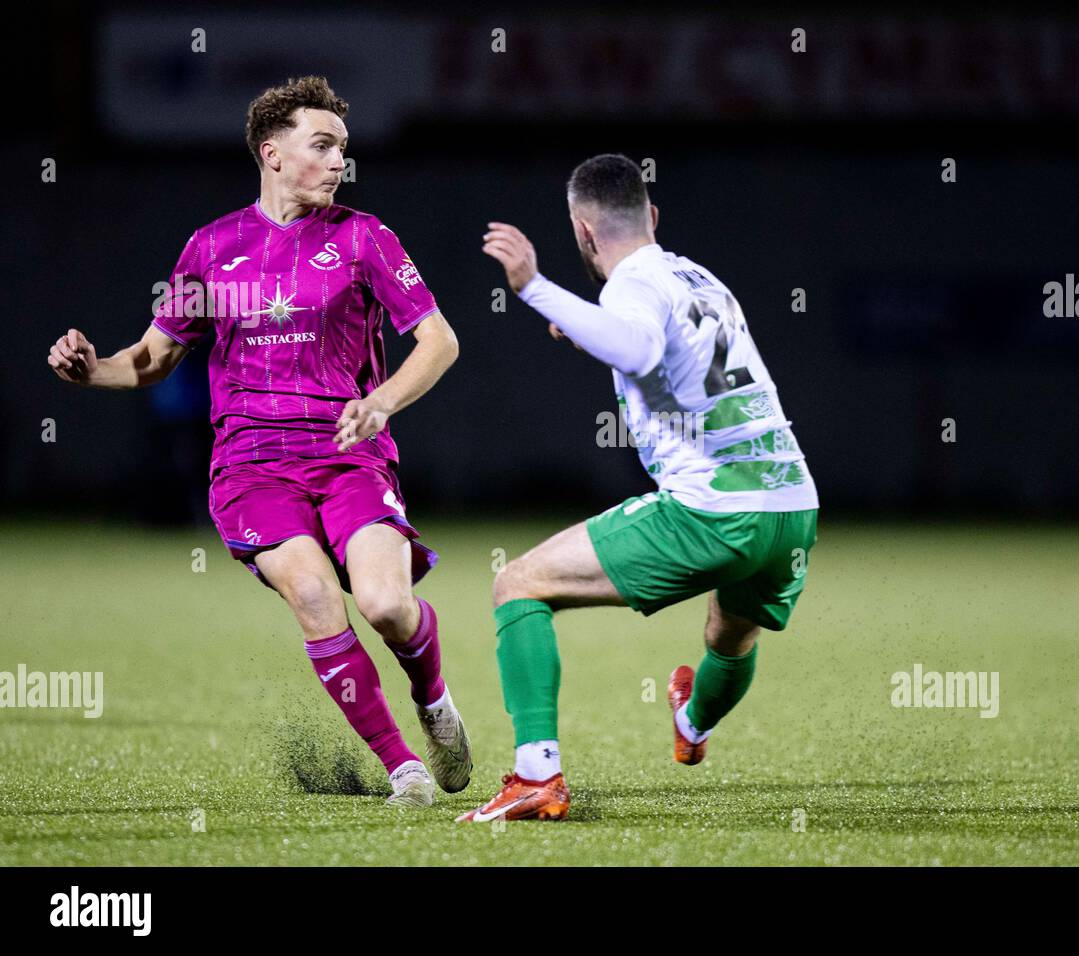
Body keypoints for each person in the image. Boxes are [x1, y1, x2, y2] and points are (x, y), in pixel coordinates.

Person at [47, 76, 470, 808]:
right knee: (312, 594)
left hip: (348, 456)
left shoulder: (364, 237)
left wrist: (382, 401)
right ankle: (404, 770)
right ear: (272, 153)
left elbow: (440, 341)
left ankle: (434, 701)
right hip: (251, 469)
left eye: (344, 147)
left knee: (386, 607)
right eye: (324, 145)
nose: (340, 161)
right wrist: (92, 371)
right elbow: (152, 359)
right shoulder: (210, 248)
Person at [463, 153, 819, 822]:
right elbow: (674, 365)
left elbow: (639, 351)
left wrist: (533, 284)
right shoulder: (701, 279)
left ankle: (536, 775)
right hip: (792, 505)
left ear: (583, 233)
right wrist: (591, 336)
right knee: (728, 635)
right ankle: (695, 724)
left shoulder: (629, 286)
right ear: (651, 215)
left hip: (716, 511)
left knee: (517, 586)